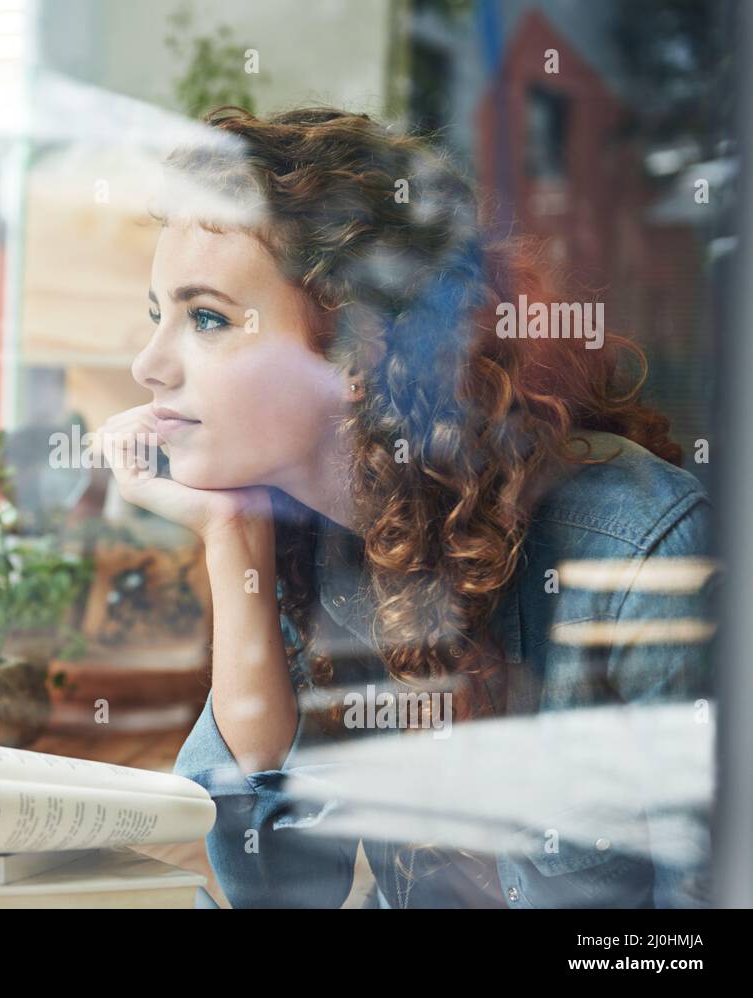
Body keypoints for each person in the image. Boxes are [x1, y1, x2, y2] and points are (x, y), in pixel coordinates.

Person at [99, 105, 717, 908]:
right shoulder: (308, 542)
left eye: (207, 318)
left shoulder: (637, 555)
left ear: (359, 351)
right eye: (160, 316)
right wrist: (233, 537)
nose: (149, 365)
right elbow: (278, 892)